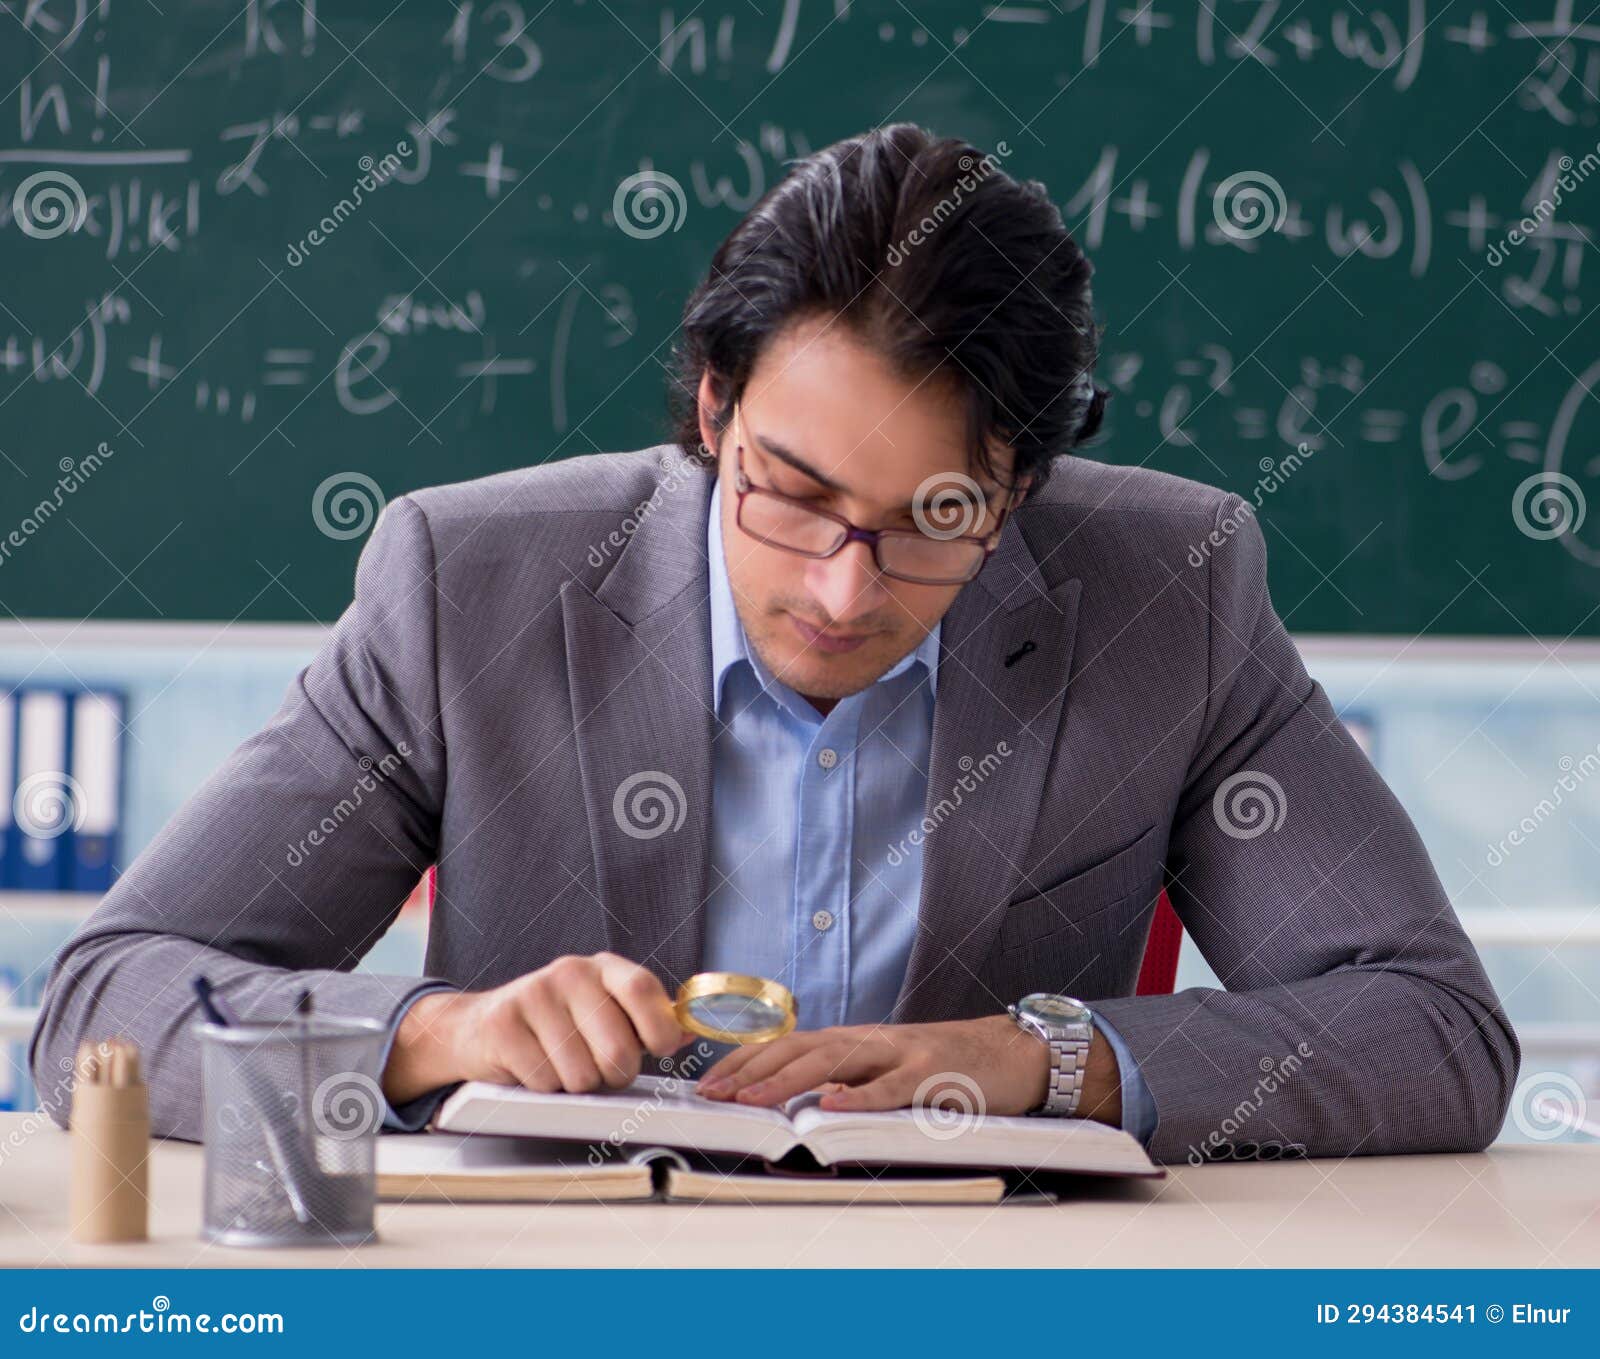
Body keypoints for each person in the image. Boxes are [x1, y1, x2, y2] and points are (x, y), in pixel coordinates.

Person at [31, 124, 1518, 1164]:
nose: (842, 589)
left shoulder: (1167, 590)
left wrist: (1044, 1060)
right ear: (713, 409)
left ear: (1022, 485)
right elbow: (107, 1004)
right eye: (791, 495)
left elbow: (1436, 1031)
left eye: (936, 518)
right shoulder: (469, 586)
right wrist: (442, 1032)